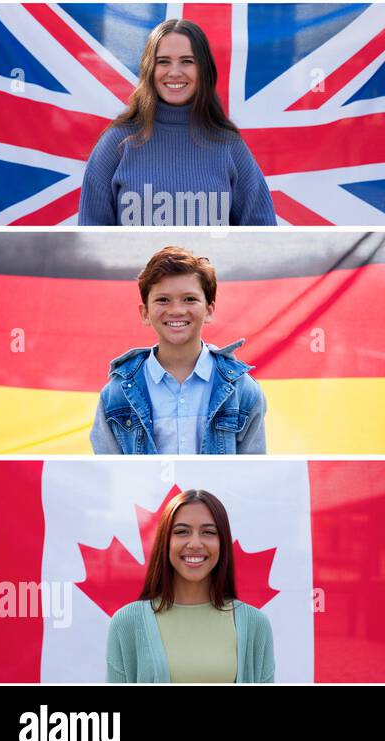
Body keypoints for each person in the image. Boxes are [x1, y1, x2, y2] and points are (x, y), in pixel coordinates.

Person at [78, 19, 276, 226]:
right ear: (149, 69)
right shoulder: (117, 143)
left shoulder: (228, 146)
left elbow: (263, 225)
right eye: (163, 61)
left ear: (203, 70)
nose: (174, 72)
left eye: (187, 61)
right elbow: (90, 224)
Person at [91, 246, 267, 454]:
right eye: (163, 300)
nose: (176, 310)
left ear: (209, 311)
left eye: (189, 299)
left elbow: (250, 470)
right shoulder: (116, 394)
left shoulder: (242, 390)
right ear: (145, 313)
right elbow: (113, 473)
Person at [107, 489, 275, 682]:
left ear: (222, 543)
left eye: (208, 532)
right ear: (166, 542)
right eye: (181, 532)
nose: (195, 543)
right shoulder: (126, 623)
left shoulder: (256, 625)